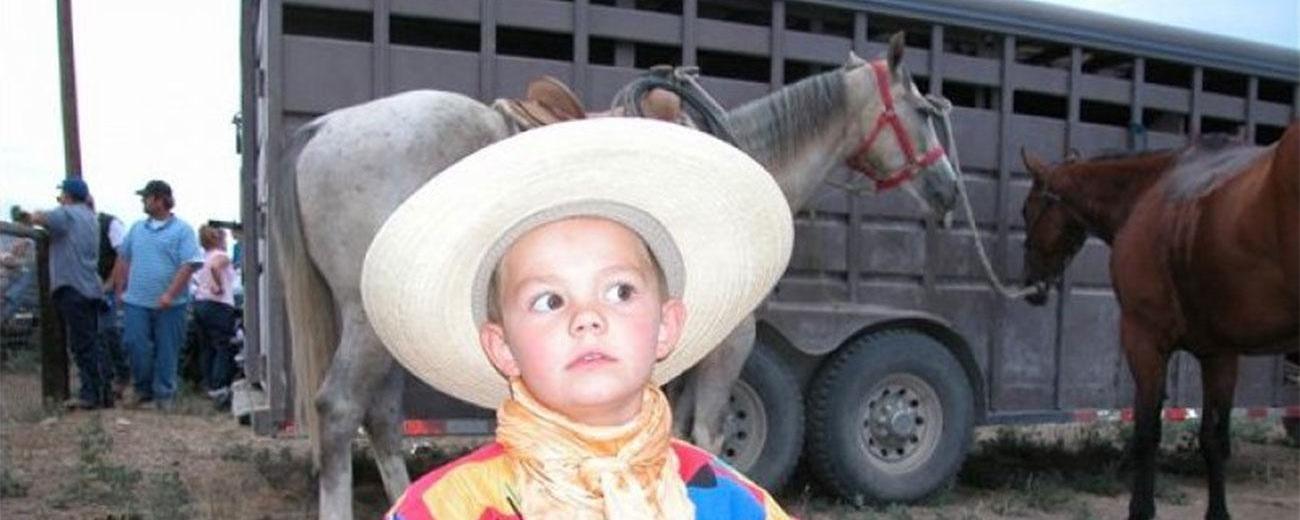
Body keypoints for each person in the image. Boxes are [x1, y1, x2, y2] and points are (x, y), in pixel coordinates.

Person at [366, 119, 795, 519]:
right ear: (503, 348)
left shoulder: (734, 502)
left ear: (666, 327)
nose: (587, 317)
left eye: (619, 292)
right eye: (549, 301)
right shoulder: (443, 508)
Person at [115, 180, 204, 411]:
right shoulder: (136, 229)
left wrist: (169, 294)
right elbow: (124, 258)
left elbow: (189, 264)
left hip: (171, 304)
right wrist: (119, 289)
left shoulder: (182, 230)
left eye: (146, 198)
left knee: (167, 349)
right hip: (137, 301)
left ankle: (164, 395)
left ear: (158, 199)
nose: (143, 202)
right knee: (135, 344)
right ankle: (143, 390)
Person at [30, 178, 112, 409]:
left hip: (73, 287)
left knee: (82, 345)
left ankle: (92, 395)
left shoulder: (66, 215)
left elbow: (39, 218)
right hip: (90, 286)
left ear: (67, 195)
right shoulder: (90, 218)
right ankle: (102, 392)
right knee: (93, 342)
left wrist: (31, 214)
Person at [193, 224, 238, 410]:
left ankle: (209, 383)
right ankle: (220, 387)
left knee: (207, 347)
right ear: (219, 239)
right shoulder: (221, 256)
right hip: (219, 304)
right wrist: (219, 285)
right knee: (222, 346)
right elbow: (215, 267)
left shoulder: (202, 257)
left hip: (201, 303)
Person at [92, 203, 132, 398]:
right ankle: (104, 381)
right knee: (97, 335)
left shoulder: (109, 224)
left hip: (107, 289)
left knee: (109, 332)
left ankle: (121, 376)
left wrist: (113, 285)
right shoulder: (81, 227)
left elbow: (122, 255)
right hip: (89, 289)